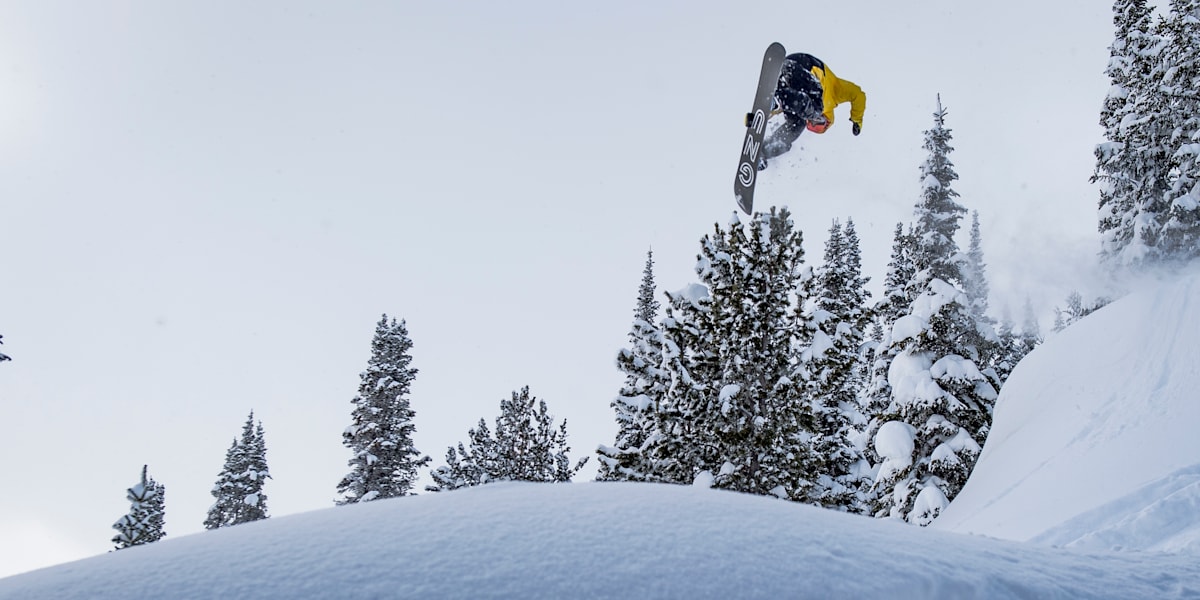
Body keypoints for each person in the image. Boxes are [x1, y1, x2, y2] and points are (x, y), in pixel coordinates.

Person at [757, 53, 866, 170]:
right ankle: (778, 98)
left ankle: (763, 152)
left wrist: (759, 117)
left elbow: (791, 105)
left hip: (789, 85)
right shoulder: (836, 90)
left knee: (797, 125)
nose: (812, 123)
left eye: (812, 127)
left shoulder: (803, 105)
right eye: (819, 124)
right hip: (800, 66)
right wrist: (857, 120)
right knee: (816, 108)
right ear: (827, 119)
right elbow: (858, 95)